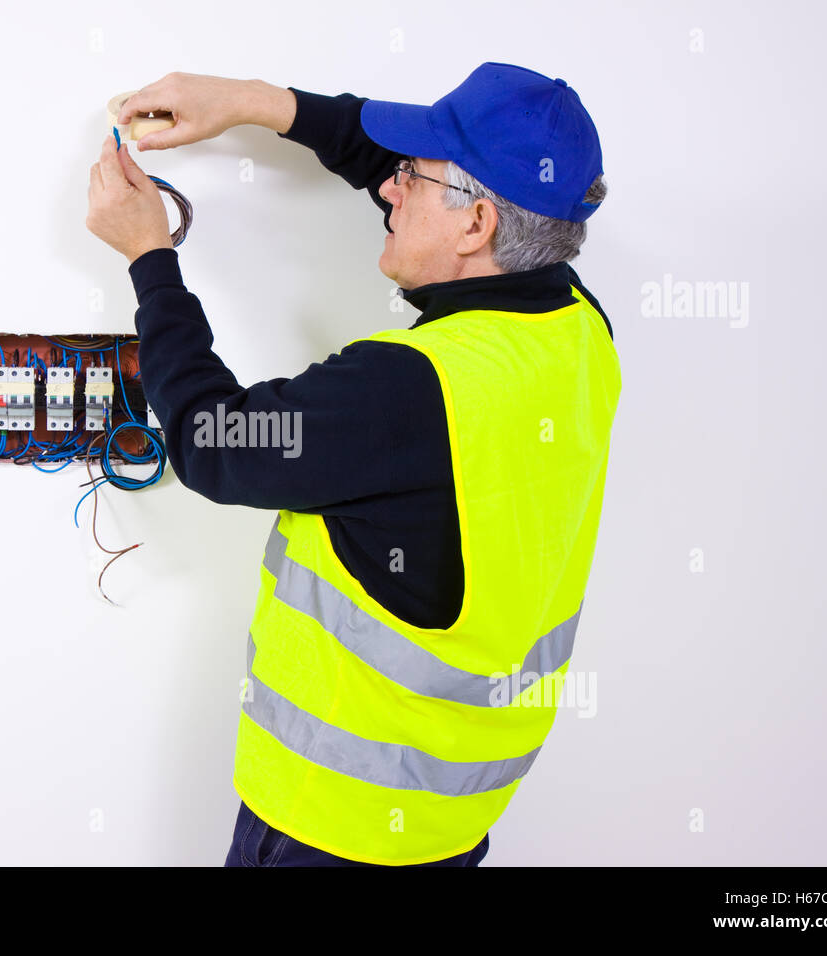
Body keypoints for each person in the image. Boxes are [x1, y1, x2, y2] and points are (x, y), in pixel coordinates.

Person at [86, 64, 621, 867]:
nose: (388, 189)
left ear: (477, 223)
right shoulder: (575, 327)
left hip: (334, 826)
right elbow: (410, 180)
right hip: (449, 821)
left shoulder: (409, 389)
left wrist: (148, 256)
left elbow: (211, 439)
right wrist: (248, 103)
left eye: (410, 176)